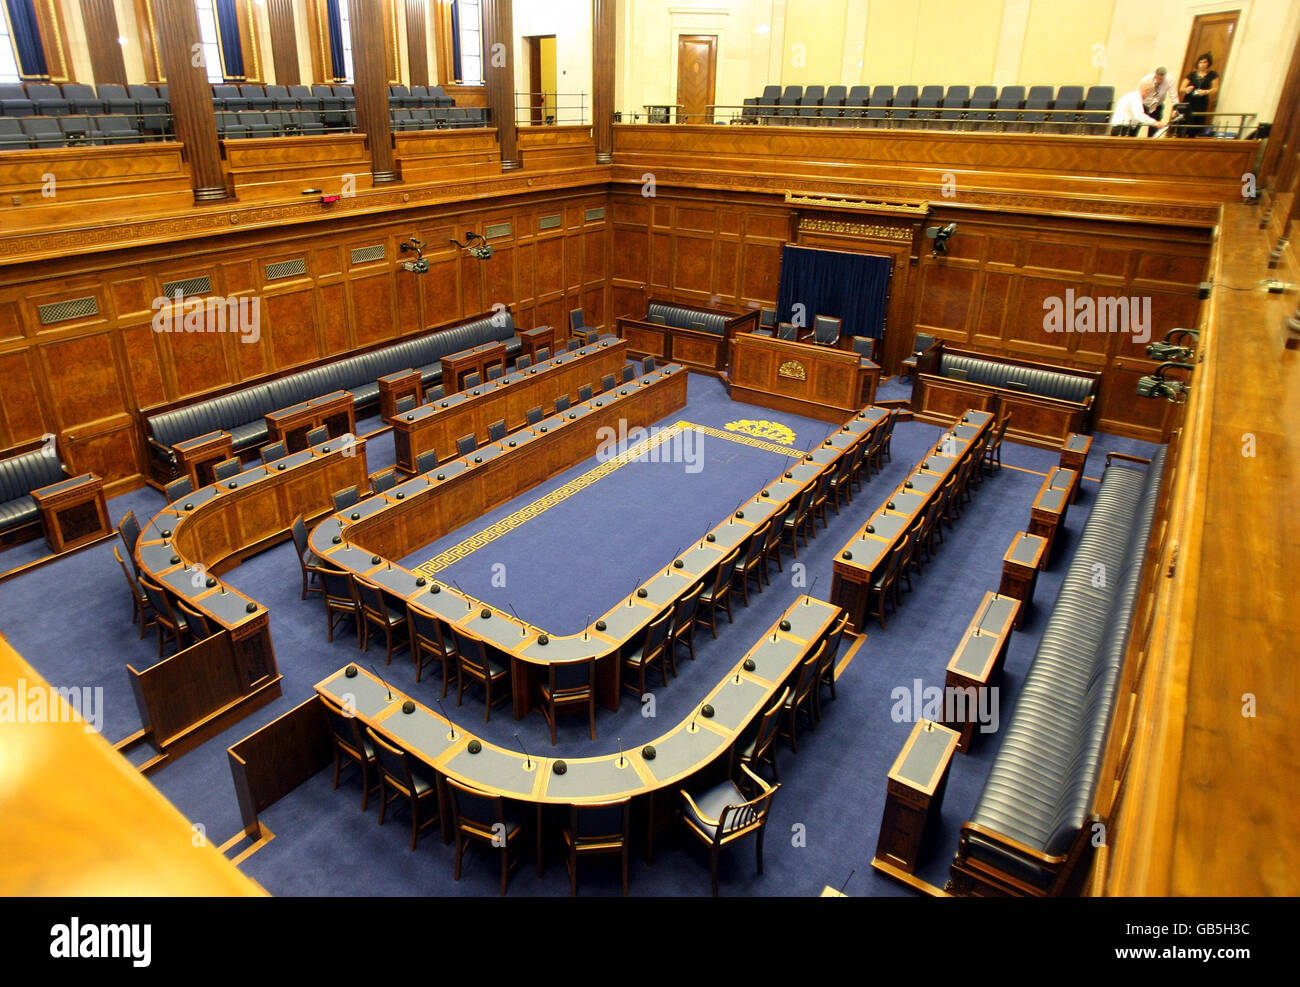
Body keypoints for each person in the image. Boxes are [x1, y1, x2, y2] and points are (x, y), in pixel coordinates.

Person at [1179, 53, 1220, 136]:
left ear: (1208, 63)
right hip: (1190, 100)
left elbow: (1215, 89)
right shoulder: (1192, 75)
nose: (1202, 64)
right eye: (1200, 62)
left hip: (1202, 101)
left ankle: (1193, 136)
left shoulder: (1212, 75)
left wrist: (1206, 91)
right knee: (1186, 120)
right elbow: (1181, 89)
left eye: (1204, 62)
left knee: (1197, 122)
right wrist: (1187, 89)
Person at [1138, 67, 1174, 131]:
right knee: (1137, 124)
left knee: (1155, 128)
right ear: (1155, 75)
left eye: (1162, 79)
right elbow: (1138, 94)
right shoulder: (1146, 80)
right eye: (1158, 78)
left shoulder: (1169, 80)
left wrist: (1175, 108)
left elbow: (1173, 95)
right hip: (1144, 104)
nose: (1160, 80)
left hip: (1157, 106)